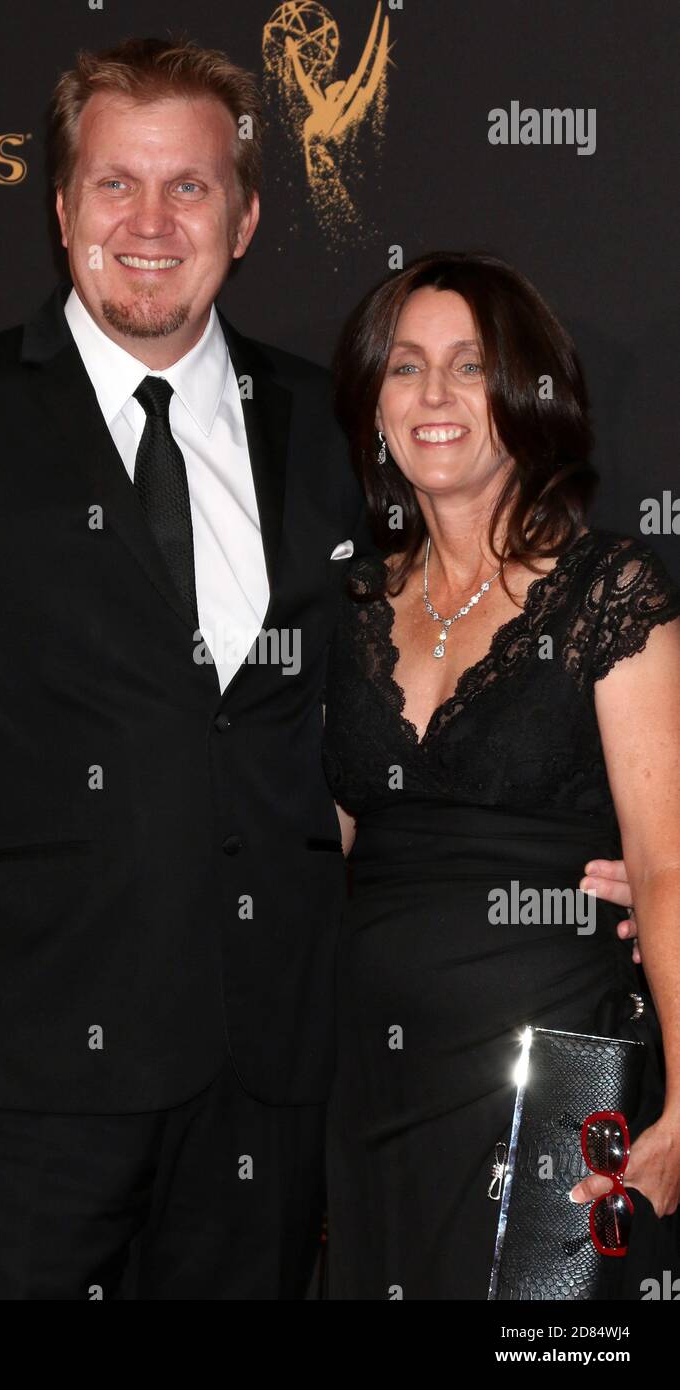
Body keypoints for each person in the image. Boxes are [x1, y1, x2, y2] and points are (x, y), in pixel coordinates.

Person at [0, 42, 634, 1299]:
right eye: (114, 185)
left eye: (188, 188)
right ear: (61, 208)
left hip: (280, 1075)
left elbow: (442, 672)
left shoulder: (329, 428)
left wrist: (581, 836)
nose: (150, 222)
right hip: (26, 1084)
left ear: (244, 216)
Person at [321, 250, 680, 1299]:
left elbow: (662, 867)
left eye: (468, 366)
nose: (431, 394)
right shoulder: (345, 606)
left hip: (556, 1078)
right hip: (374, 1081)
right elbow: (323, 853)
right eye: (402, 366)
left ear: (527, 395)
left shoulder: (606, 590)